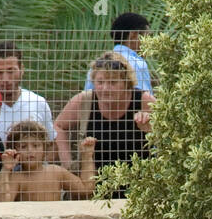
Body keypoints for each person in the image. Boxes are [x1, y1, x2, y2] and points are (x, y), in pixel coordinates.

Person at [54, 52, 154, 199]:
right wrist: (68, 165)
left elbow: (169, 134)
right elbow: (58, 126)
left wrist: (150, 128)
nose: (106, 88)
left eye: (113, 82)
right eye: (100, 83)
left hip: (136, 189)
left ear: (126, 82)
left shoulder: (144, 100)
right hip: (92, 187)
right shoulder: (85, 100)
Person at [0, 120, 95, 202]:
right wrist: (6, 169)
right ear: (15, 151)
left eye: (36, 145)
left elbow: (86, 188)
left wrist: (87, 156)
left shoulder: (56, 172)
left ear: (44, 148)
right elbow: (3, 203)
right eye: (23, 146)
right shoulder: (17, 177)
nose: (30, 150)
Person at [0, 40, 58, 145]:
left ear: (22, 69)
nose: (5, 79)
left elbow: (52, 145)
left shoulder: (38, 102)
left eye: (11, 71)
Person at [83, 12, 153, 94]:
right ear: (134, 35)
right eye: (148, 36)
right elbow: (145, 101)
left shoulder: (97, 65)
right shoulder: (138, 64)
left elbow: (87, 100)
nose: (151, 42)